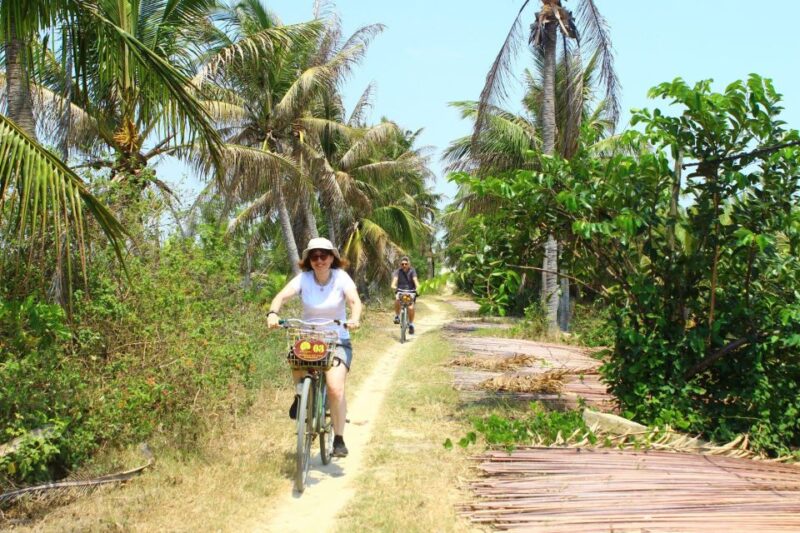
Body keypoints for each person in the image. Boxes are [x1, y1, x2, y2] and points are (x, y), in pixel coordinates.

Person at [267, 237, 362, 458]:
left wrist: (355, 318)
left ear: (332, 258)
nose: (319, 260)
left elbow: (354, 300)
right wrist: (272, 313)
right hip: (310, 340)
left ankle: (338, 439)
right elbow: (281, 296)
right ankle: (300, 395)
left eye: (323, 255)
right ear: (309, 260)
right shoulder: (304, 279)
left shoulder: (341, 277)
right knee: (295, 357)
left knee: (335, 389)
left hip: (336, 339)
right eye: (314, 256)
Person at [390, 256, 419, 334]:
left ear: (409, 264)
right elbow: (394, 282)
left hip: (411, 291)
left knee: (410, 307)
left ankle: (411, 324)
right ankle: (397, 316)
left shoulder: (412, 271)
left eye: (406, 264)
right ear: (400, 265)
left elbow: (415, 280)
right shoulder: (398, 271)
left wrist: (417, 287)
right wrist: (394, 286)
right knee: (397, 300)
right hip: (400, 291)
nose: (404, 265)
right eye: (402, 264)